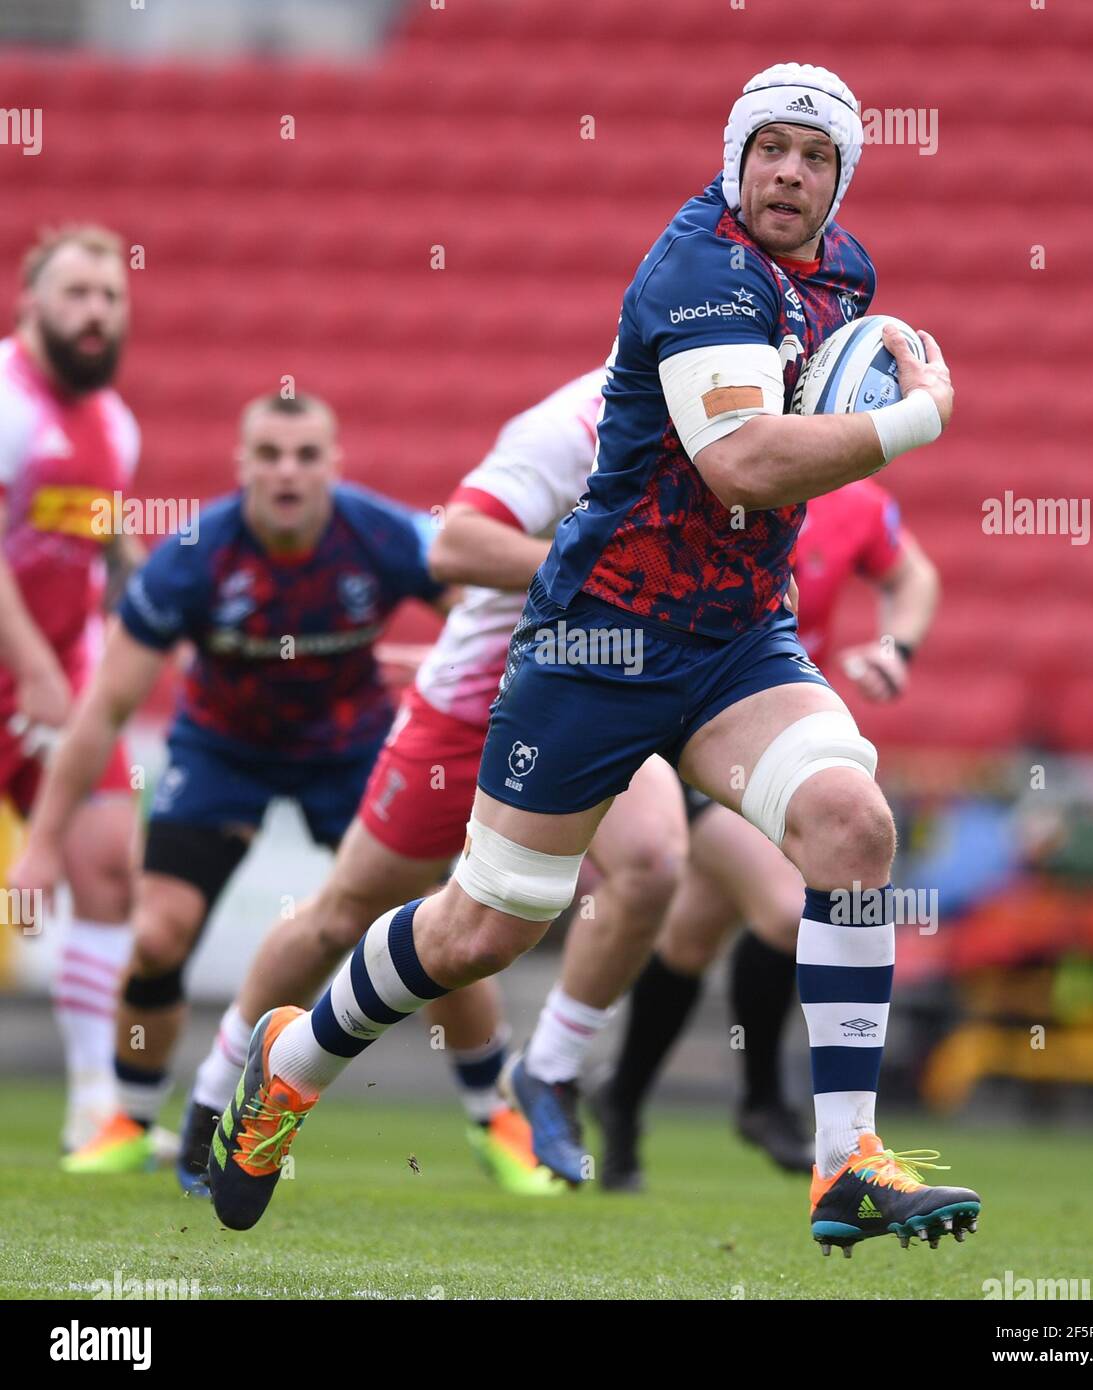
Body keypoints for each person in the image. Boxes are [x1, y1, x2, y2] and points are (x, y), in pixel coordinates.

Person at [210, 62, 980, 1259]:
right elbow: (743, 462)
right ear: (735, 158)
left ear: (842, 179)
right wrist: (915, 419)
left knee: (853, 826)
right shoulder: (699, 268)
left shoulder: (844, 274)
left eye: (815, 155)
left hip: (734, 636)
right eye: (769, 146)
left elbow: (790, 467)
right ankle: (288, 1062)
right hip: (598, 640)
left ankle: (845, 1162)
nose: (788, 171)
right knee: (482, 927)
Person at [186, 369, 688, 1195]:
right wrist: (598, 588)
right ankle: (213, 1103)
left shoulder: (738, 424)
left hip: (596, 705)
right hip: (466, 716)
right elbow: (455, 548)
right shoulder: (573, 422)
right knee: (352, 918)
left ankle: (543, 1079)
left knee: (655, 863)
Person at [10, 391, 449, 1181]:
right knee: (156, 935)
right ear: (242, 465)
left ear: (333, 465)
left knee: (437, 923)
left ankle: (498, 1115)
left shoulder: (378, 533)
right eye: (270, 455)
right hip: (223, 751)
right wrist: (41, 846)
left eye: (305, 455)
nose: (287, 472)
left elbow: (481, 613)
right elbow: (102, 709)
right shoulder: (194, 553)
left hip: (346, 749)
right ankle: (130, 1116)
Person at [593, 482, 940, 1189]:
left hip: (782, 731)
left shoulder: (855, 500)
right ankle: (762, 1098)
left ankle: (620, 1098)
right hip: (694, 732)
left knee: (690, 936)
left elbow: (914, 575)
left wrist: (894, 647)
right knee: (786, 908)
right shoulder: (711, 475)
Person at [0, 225, 143, 1154]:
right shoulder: (6, 400)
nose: (95, 313)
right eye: (77, 293)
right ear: (32, 302)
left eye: (109, 297)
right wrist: (41, 671)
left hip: (63, 684)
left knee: (108, 868)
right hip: (37, 676)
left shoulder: (116, 424)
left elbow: (102, 547)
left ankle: (95, 1098)